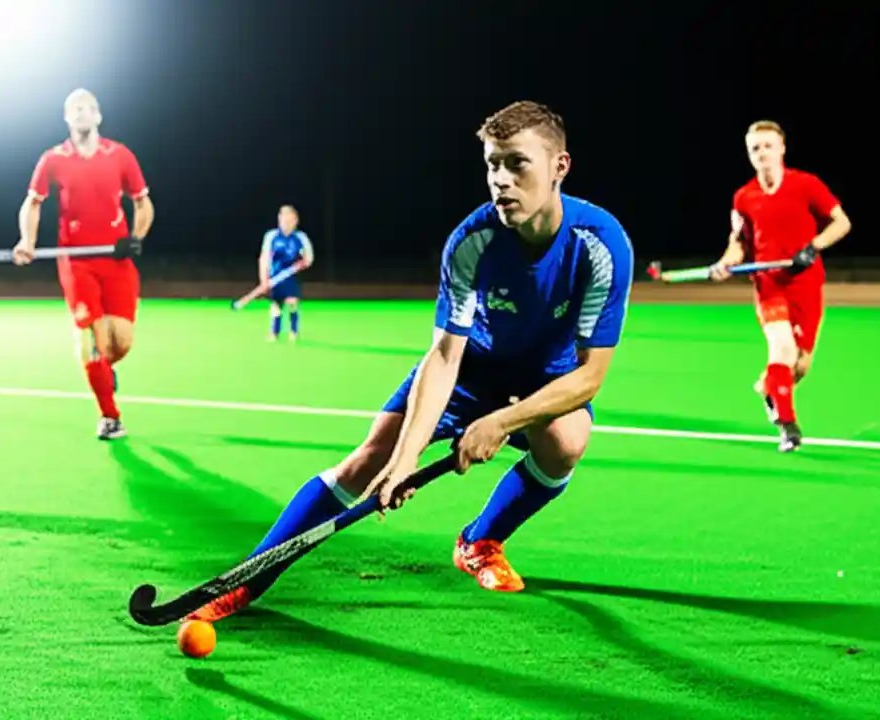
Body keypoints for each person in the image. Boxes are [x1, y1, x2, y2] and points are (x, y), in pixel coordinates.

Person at [187, 100, 633, 623]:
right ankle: (246, 579)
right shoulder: (473, 241)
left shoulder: (600, 245)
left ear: (560, 167)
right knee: (369, 459)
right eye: (492, 164)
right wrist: (406, 458)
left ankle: (480, 541)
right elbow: (445, 357)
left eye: (517, 163)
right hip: (471, 370)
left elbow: (590, 376)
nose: (501, 180)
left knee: (566, 443)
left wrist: (502, 423)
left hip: (547, 378)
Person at [15, 88, 153, 440]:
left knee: (119, 343)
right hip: (75, 262)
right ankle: (109, 415)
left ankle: (104, 372)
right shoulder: (53, 159)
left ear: (98, 116)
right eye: (74, 109)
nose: (81, 113)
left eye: (88, 108)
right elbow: (33, 203)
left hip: (116, 260)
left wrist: (134, 237)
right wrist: (27, 242)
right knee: (90, 339)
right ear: (66, 117)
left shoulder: (120, 155)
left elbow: (143, 203)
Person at [709, 120, 851, 452]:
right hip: (769, 285)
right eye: (755, 148)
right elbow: (738, 244)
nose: (762, 153)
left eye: (767, 146)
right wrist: (725, 263)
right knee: (782, 350)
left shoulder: (806, 184)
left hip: (806, 281)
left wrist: (813, 246)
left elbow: (842, 222)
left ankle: (769, 387)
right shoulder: (744, 197)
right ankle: (788, 426)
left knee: (800, 364)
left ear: (782, 149)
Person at [258, 205, 313, 342]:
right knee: (276, 305)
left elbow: (309, 257)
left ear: (295, 221)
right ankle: (274, 332)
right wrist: (264, 279)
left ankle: (293, 332)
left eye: (290, 220)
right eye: (283, 219)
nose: (286, 223)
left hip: (292, 275)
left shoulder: (300, 237)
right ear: (279, 219)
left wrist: (305, 261)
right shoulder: (271, 236)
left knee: (292, 302)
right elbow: (264, 258)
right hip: (275, 275)